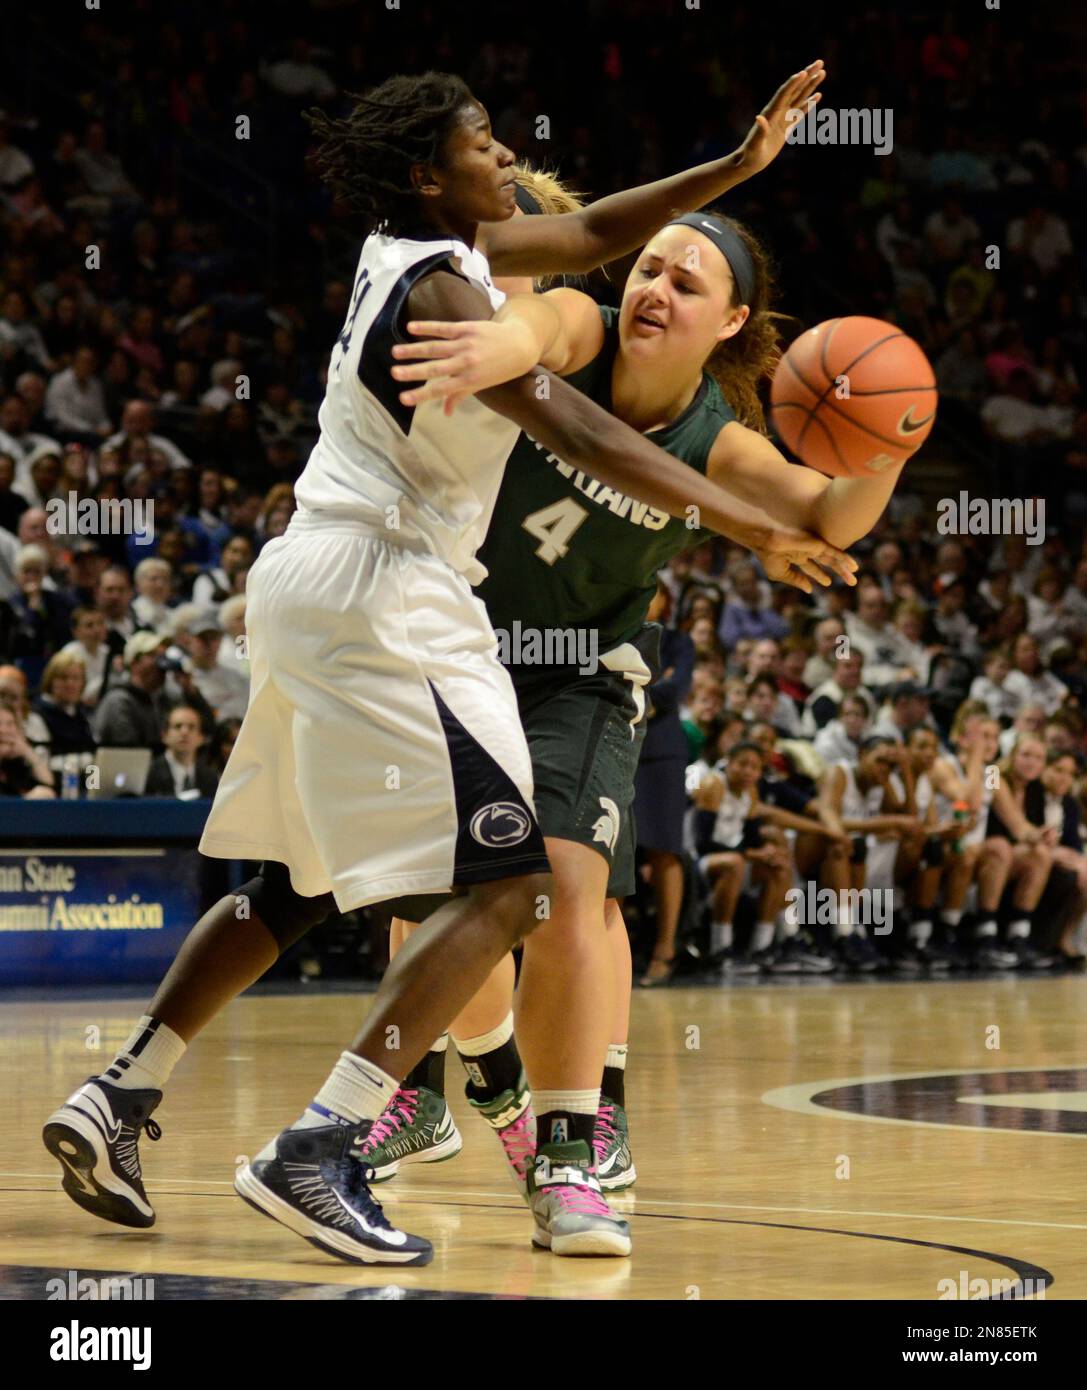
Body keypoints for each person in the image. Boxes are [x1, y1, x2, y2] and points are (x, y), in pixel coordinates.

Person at [43, 64, 852, 1266]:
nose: (507, 160)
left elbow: (587, 227)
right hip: (392, 590)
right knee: (515, 885)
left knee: (299, 879)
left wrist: (735, 165)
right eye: (486, 147)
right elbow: (576, 422)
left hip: (311, 573)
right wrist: (751, 526)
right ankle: (325, 1142)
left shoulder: (427, 244)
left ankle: (120, 1094)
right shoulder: (441, 287)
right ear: (433, 175)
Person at [144, 703, 219, 797]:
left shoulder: (210, 777)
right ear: (164, 735)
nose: (184, 732)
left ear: (201, 738)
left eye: (191, 727)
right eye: (177, 726)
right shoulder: (148, 774)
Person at [0, 702, 55, 798]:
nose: (3, 730)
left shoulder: (16, 761)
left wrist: (27, 751)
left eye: (10, 724)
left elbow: (48, 783)